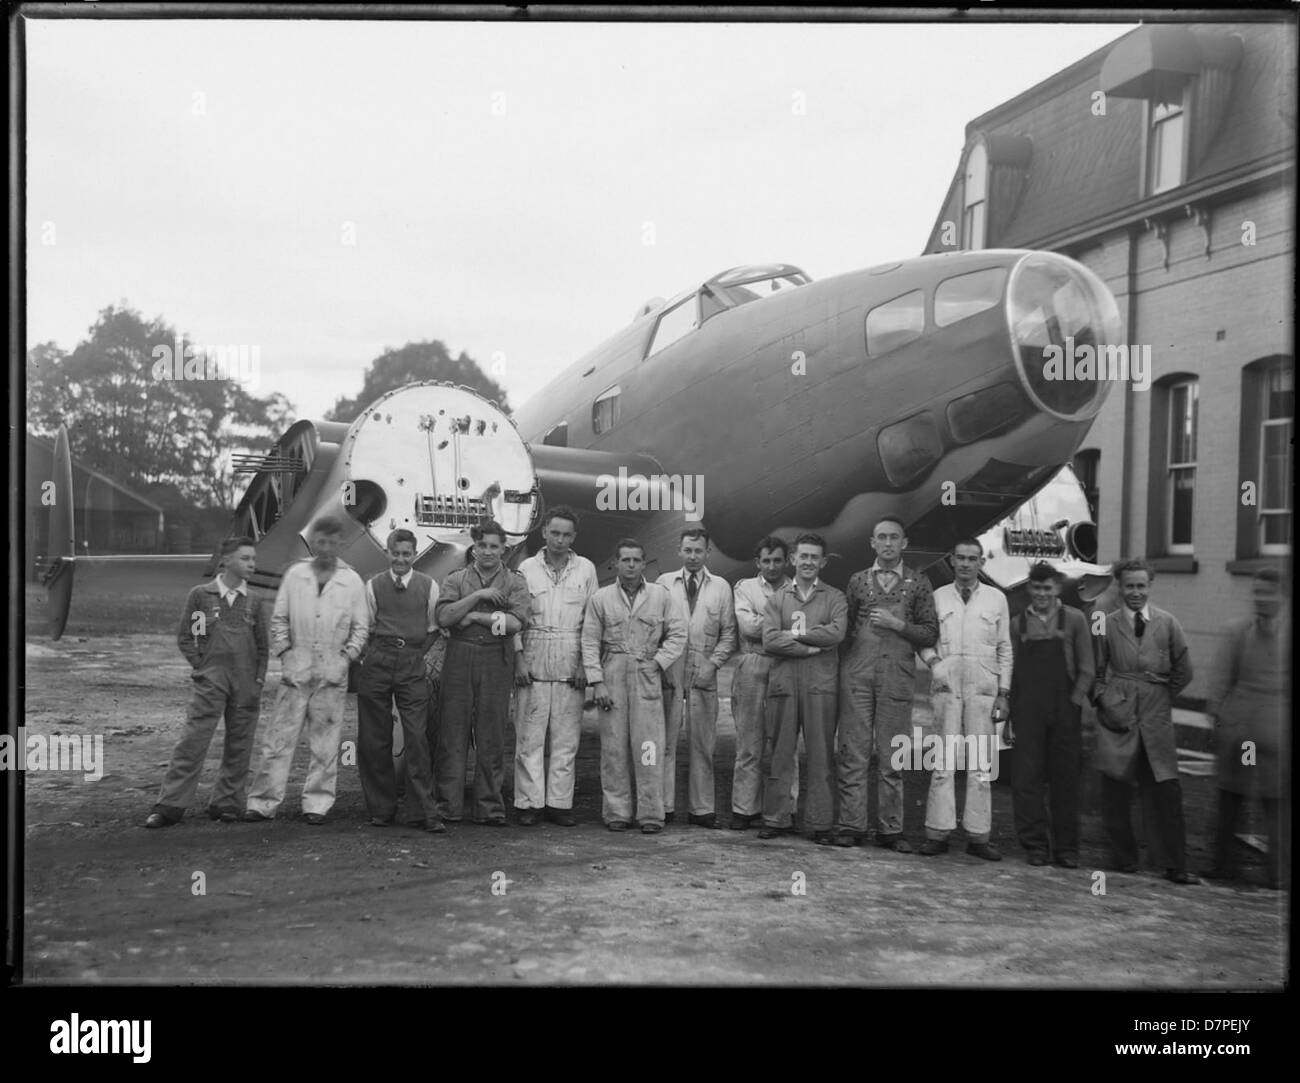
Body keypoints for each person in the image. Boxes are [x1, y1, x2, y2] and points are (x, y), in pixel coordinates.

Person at [244, 516, 369, 824]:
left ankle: (317, 803)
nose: (326, 548)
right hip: (295, 671)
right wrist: (286, 655)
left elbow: (361, 628)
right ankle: (262, 801)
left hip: (331, 673)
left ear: (341, 543)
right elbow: (279, 620)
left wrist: (344, 660)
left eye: (332, 542)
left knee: (325, 744)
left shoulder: (351, 580)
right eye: (320, 541)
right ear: (312, 542)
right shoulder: (296, 574)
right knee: (278, 740)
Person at [146, 536, 268, 827]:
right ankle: (170, 805)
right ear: (226, 561)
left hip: (246, 681)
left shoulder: (254, 601)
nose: (251, 564)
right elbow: (190, 637)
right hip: (211, 680)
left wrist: (258, 678)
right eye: (245, 558)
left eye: (253, 559)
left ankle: (227, 803)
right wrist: (202, 667)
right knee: (193, 740)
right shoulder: (202, 596)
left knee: (240, 743)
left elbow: (262, 646)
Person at [833, 517, 938, 851]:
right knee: (854, 751)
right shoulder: (857, 582)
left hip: (897, 676)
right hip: (858, 675)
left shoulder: (919, 582)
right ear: (872, 543)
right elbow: (845, 631)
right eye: (882, 537)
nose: (888, 543)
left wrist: (897, 624)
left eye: (894, 537)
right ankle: (852, 825)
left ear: (904, 543)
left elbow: (930, 632)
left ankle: (891, 830)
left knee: (893, 754)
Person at [1092, 558, 1195, 884]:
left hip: (1155, 716)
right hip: (1118, 715)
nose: (1135, 592)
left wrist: (1160, 696)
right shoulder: (1104, 624)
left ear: (1150, 586)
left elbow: (1184, 671)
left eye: (1141, 586)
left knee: (1166, 789)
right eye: (1129, 586)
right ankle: (1125, 859)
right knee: (1116, 788)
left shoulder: (1168, 623)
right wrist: (1110, 702)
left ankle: (1174, 864)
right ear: (1119, 588)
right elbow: (1094, 675)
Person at [582, 538, 687, 834]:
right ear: (616, 563)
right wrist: (597, 681)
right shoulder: (600, 599)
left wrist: (658, 663)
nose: (630, 565)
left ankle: (651, 813)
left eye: (636, 560)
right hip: (612, 671)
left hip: (647, 671)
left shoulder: (660, 595)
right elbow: (589, 641)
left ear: (644, 563)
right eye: (625, 560)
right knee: (614, 747)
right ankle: (617, 811)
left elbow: (678, 633)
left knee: (649, 747)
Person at [918, 538, 1012, 861]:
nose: (966, 564)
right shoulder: (938, 597)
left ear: (981, 562)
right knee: (942, 761)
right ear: (952, 560)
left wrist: (1004, 693)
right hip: (947, 687)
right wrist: (934, 664)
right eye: (960, 558)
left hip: (983, 689)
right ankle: (937, 833)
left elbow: (1005, 648)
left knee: (981, 764)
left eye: (972, 558)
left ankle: (978, 836)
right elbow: (924, 639)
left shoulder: (996, 599)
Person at [434, 519, 530, 826]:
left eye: (494, 547)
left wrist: (475, 616)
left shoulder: (515, 581)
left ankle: (489, 806)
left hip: (496, 658)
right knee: (453, 731)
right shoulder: (457, 578)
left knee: (492, 732)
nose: (487, 552)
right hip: (459, 657)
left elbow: (515, 624)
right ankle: (449, 805)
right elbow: (446, 617)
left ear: (504, 549)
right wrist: (478, 597)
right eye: (482, 546)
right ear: (473, 547)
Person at [1201, 569, 1290, 889]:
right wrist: (1217, 717)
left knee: (1277, 806)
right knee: (1230, 800)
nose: (1261, 599)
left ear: (1283, 596)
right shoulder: (1236, 632)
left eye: (1268, 593)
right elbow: (1221, 678)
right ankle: (1223, 866)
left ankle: (1279, 875)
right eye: (1257, 592)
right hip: (1240, 735)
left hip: (1277, 736)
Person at [758, 533, 848, 844]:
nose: (808, 562)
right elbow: (770, 639)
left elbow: (836, 633)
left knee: (822, 754)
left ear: (823, 562)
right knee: (781, 752)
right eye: (803, 556)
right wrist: (807, 648)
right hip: (784, 684)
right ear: (793, 559)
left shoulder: (834, 597)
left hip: (820, 685)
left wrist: (794, 635)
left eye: (814, 557)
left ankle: (821, 823)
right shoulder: (777, 599)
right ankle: (776, 818)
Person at [512, 506, 599, 826]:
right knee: (529, 737)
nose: (560, 540)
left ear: (574, 537)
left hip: (570, 654)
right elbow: (517, 618)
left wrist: (584, 666)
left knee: (566, 739)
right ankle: (528, 803)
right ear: (544, 532)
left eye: (567, 534)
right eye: (555, 533)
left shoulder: (586, 569)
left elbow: (592, 620)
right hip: (534, 652)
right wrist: (519, 658)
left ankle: (560, 804)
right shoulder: (526, 568)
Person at [1007, 562, 1094, 867]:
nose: (1041, 594)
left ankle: (1066, 849)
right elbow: (1013, 668)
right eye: (1036, 588)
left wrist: (1074, 703)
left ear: (1057, 588)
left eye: (1047, 588)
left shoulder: (1075, 620)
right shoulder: (1018, 624)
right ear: (1029, 588)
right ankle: (1035, 846)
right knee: (1026, 779)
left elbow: (1087, 669)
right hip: (1028, 710)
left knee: (1065, 780)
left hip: (1064, 711)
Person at [357, 528, 443, 832]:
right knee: (373, 737)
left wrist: (415, 655)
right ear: (387, 553)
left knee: (417, 736)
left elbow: (434, 627)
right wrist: (376, 654)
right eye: (396, 553)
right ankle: (381, 808)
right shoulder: (373, 585)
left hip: (411, 662)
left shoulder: (428, 585)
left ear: (415, 554)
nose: (401, 559)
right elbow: (365, 627)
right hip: (378, 660)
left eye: (407, 554)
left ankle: (423, 810)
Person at [658, 528, 737, 828]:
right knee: (664, 739)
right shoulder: (664, 583)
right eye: (687, 550)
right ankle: (662, 806)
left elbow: (729, 634)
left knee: (703, 742)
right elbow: (656, 627)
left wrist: (713, 664)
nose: (693, 556)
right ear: (679, 550)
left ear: (707, 553)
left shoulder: (720, 587)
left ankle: (701, 809)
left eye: (698, 551)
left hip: (704, 667)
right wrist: (662, 664)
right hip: (671, 666)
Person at [730, 535, 797, 830]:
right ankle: (744, 809)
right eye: (766, 560)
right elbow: (747, 626)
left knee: (785, 743)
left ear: (787, 561)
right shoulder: (745, 587)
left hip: (785, 666)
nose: (772, 566)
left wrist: (767, 623)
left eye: (778, 560)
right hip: (753, 663)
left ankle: (784, 810)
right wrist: (781, 625)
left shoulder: (797, 589)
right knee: (749, 742)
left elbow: (802, 627)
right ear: (758, 562)